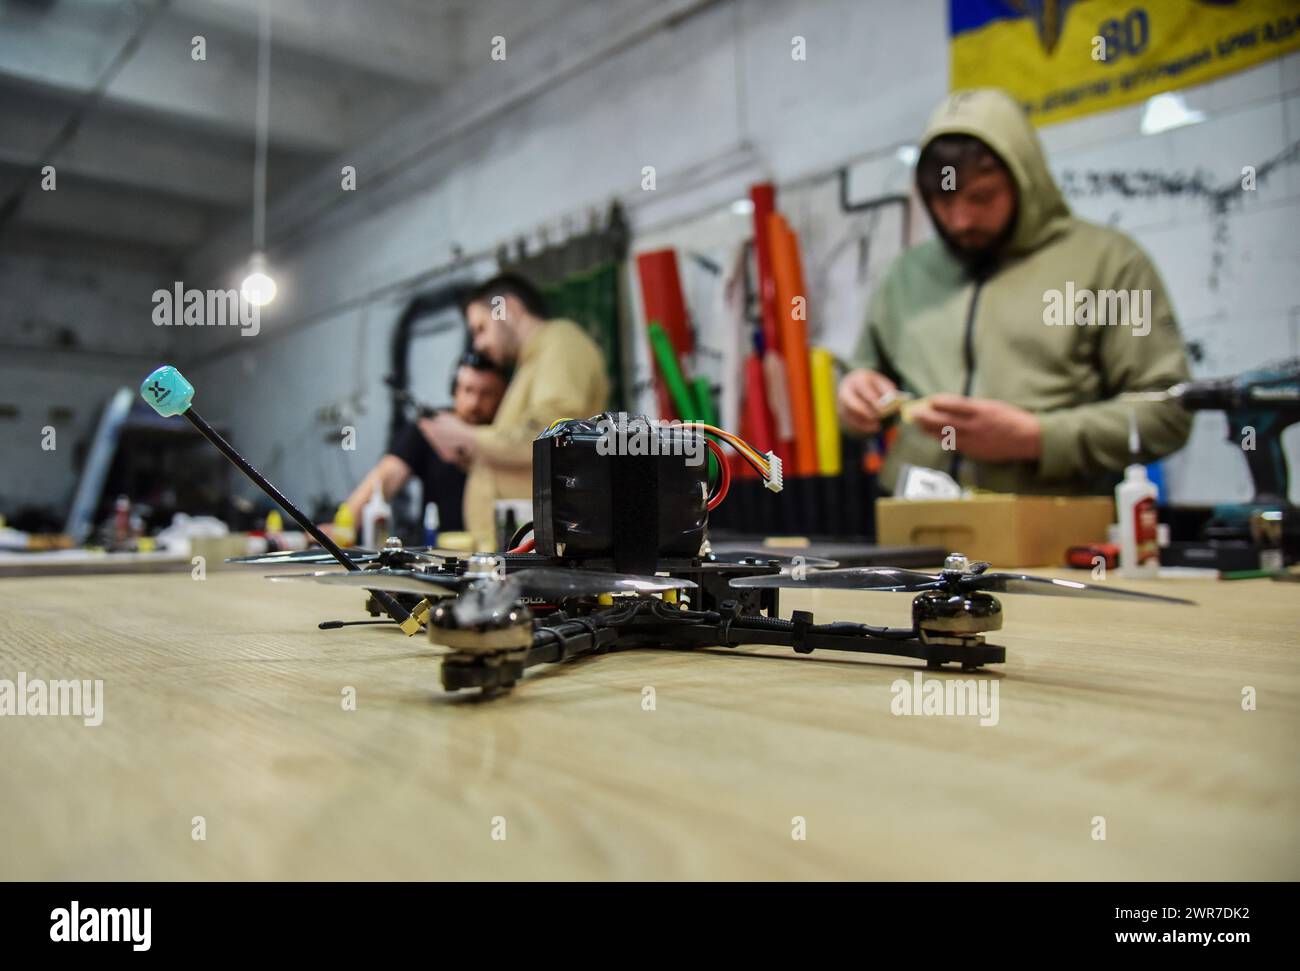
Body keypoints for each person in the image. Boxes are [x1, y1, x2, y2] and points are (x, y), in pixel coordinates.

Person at [838, 88, 1192, 495]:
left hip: (1051, 533)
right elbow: (862, 382)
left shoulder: (1109, 263)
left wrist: (1036, 437)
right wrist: (855, 399)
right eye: (942, 201)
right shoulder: (906, 274)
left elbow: (1167, 413)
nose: (961, 220)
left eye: (982, 198)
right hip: (914, 529)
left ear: (1026, 178)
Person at [419, 273, 608, 549]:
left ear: (509, 309)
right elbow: (522, 448)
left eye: (481, 328)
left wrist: (467, 436)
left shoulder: (560, 341)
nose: (478, 344)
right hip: (517, 546)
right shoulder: (532, 362)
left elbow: (550, 436)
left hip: (538, 547)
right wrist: (470, 452)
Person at [341, 352, 506, 532]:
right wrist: (341, 527)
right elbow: (385, 479)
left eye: (487, 394)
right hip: (437, 549)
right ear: (454, 391)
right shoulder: (430, 429)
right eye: (468, 390)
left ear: (502, 397)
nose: (475, 403)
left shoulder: (508, 438)